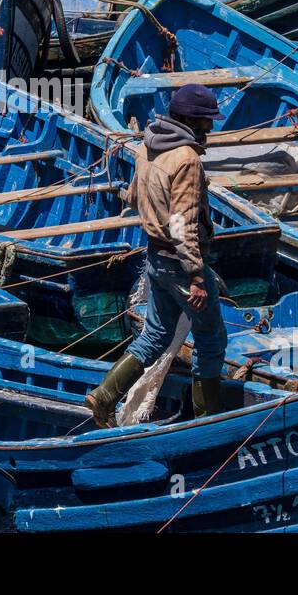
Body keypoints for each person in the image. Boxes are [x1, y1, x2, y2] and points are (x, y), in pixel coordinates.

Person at [84, 83, 229, 427]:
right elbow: (182, 225)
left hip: (155, 258)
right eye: (208, 122)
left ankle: (102, 397)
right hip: (181, 265)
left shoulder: (146, 147)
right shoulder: (187, 159)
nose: (211, 128)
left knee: (155, 335)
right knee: (211, 338)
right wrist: (196, 276)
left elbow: (134, 196)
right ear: (194, 121)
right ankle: (207, 421)